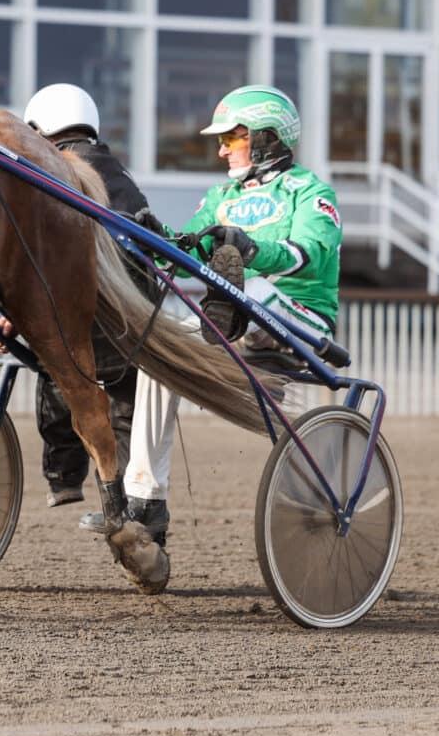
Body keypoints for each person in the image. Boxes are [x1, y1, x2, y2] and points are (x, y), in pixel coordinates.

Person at [82, 85, 343, 589]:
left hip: (302, 321)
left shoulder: (311, 193)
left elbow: (306, 253)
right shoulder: (221, 199)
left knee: (258, 288)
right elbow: (179, 249)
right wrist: (141, 237)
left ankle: (231, 308)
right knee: (164, 350)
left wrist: (250, 250)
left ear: (266, 138)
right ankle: (147, 503)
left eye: (232, 138)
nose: (222, 149)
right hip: (236, 325)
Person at [0, 83, 164, 508]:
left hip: (86, 319)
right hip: (136, 322)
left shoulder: (53, 170)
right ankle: (129, 502)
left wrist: (13, 313)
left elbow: (48, 256)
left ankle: (64, 475)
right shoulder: (118, 173)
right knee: (125, 410)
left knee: (57, 370)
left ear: (38, 128)